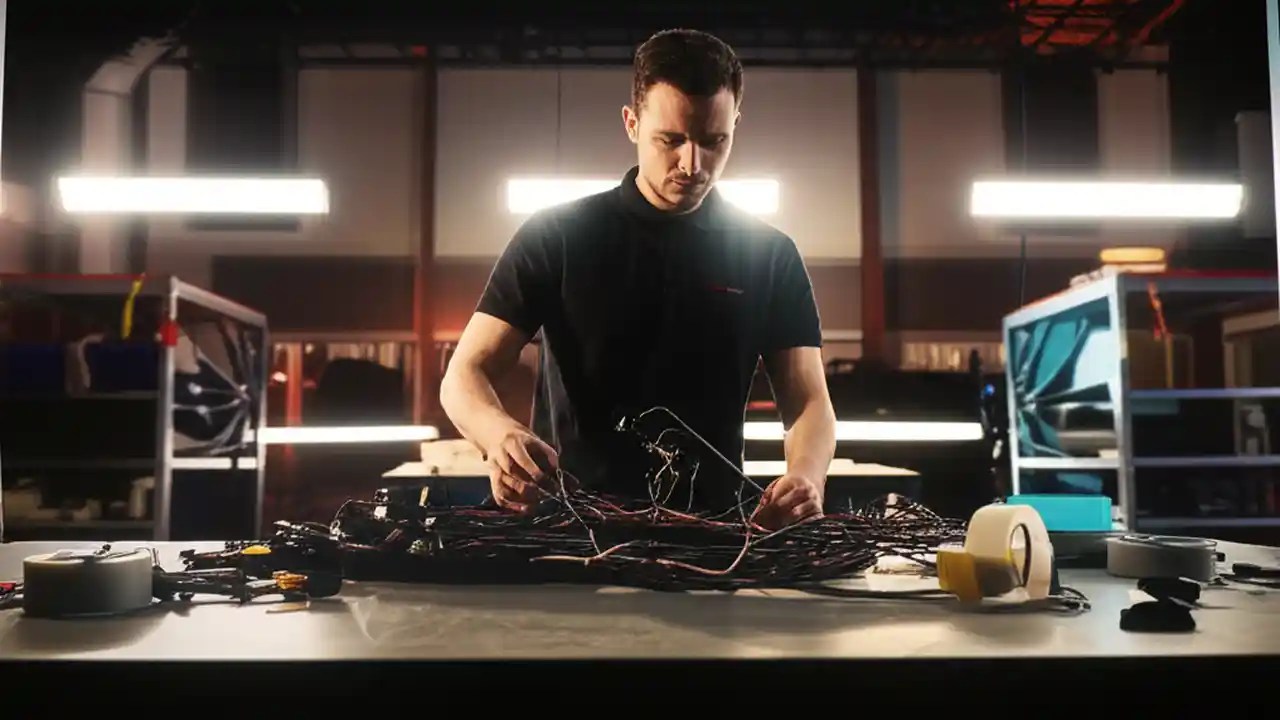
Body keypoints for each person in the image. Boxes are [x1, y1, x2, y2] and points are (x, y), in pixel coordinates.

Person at [440, 28, 837, 530]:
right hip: (569, 528)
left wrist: (806, 475)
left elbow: (808, 402)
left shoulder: (770, 256)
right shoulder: (557, 236)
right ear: (632, 124)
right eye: (671, 140)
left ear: (735, 124)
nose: (692, 164)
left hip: (713, 536)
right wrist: (498, 435)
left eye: (713, 141)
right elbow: (464, 376)